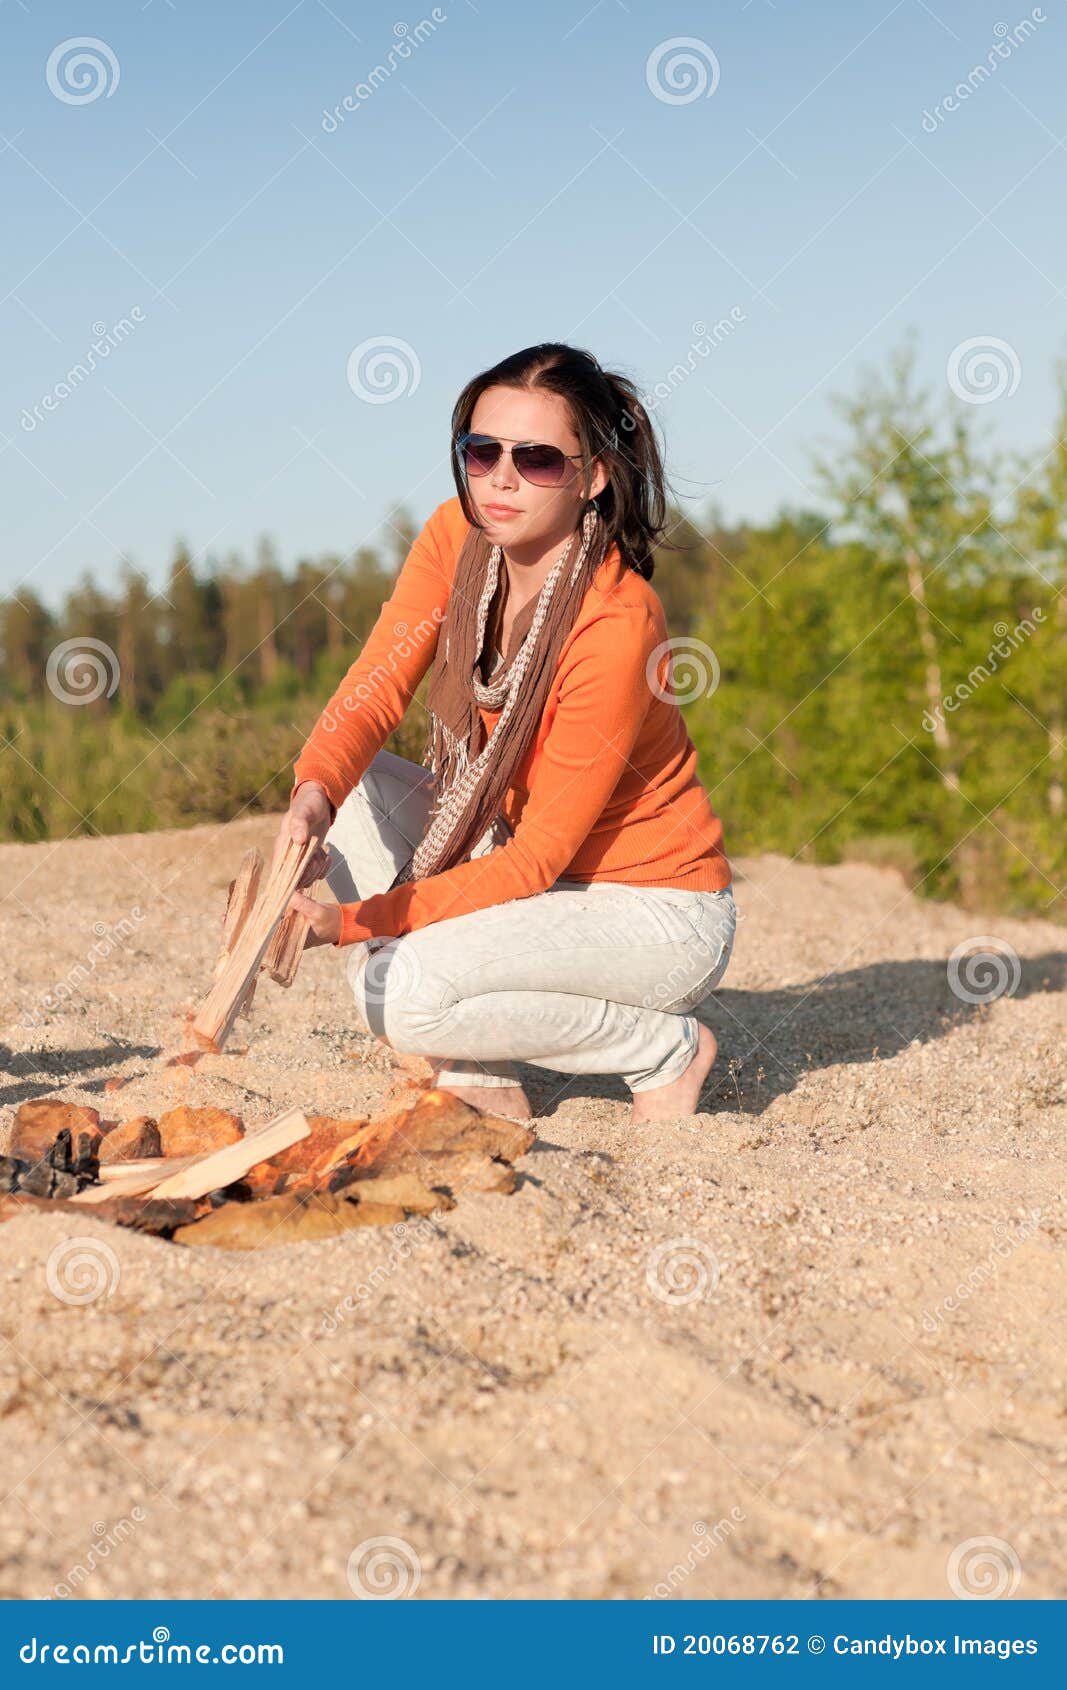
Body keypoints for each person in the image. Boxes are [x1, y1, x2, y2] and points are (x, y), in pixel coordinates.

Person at [272, 342, 736, 1125]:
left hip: (650, 915)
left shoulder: (615, 624)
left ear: (592, 476)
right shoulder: (454, 538)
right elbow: (376, 684)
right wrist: (310, 799)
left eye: (539, 460)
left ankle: (662, 1049)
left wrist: (352, 924)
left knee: (396, 992)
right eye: (481, 452)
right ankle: (477, 1075)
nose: (502, 478)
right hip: (528, 866)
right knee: (347, 792)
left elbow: (537, 859)